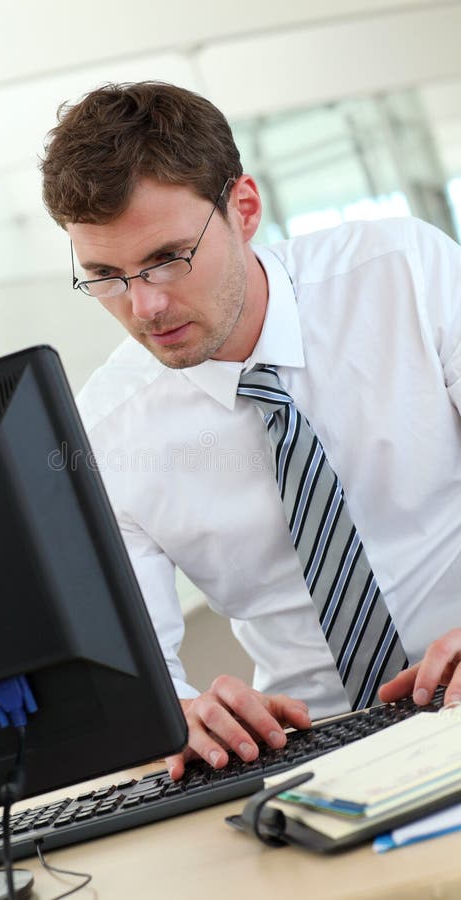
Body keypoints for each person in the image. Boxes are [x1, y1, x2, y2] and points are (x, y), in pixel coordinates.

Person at [40, 81, 461, 781]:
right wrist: (174, 715)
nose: (144, 305)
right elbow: (133, 679)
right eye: (107, 276)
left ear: (244, 209)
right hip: (314, 751)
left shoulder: (405, 274)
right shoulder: (106, 433)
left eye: (169, 258)